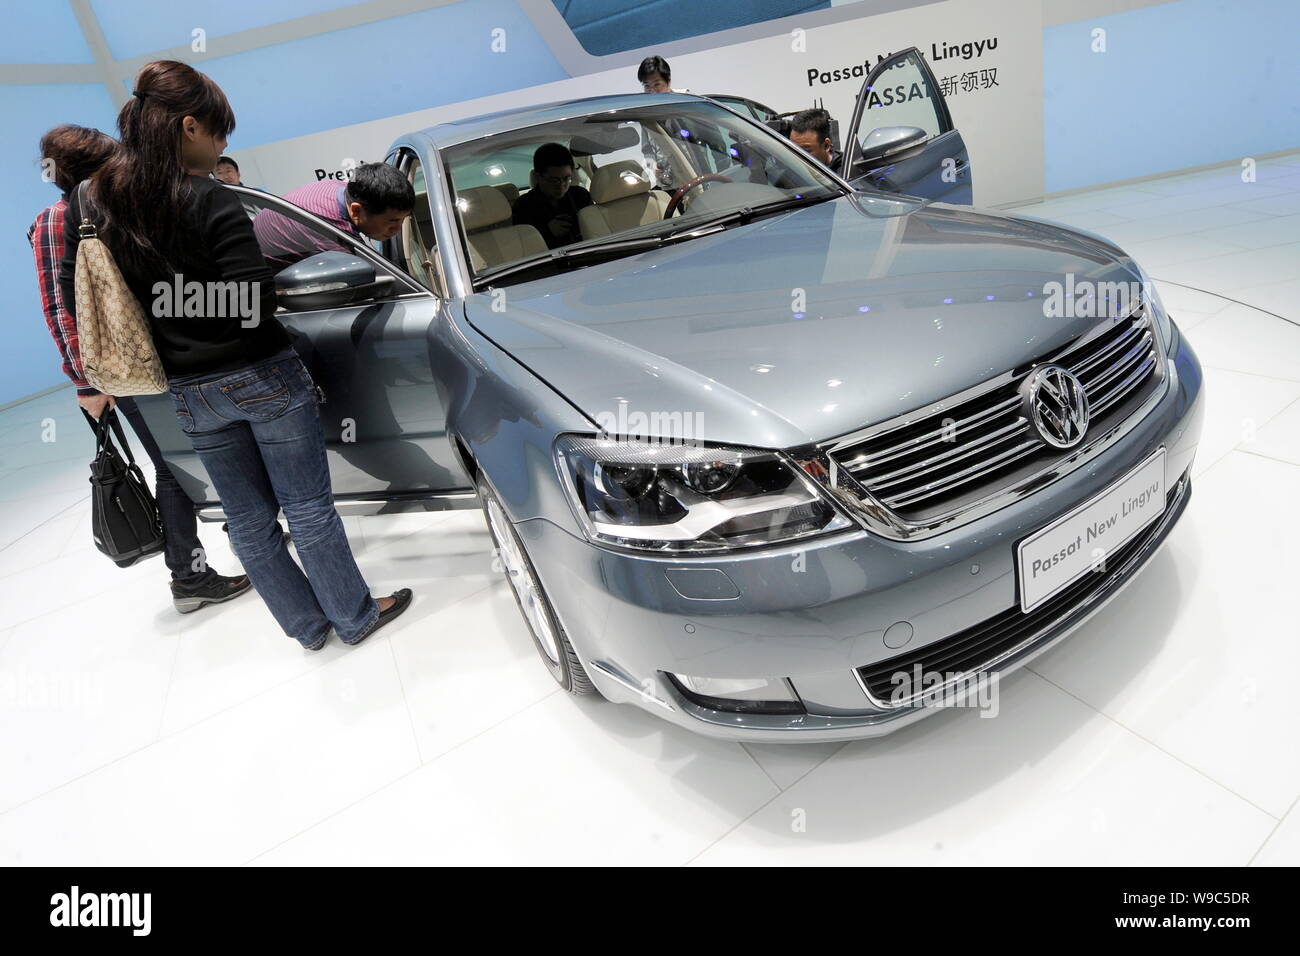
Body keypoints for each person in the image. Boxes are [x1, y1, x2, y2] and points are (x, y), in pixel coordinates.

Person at [59, 60, 411, 650]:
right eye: (220, 132)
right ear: (190, 127)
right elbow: (252, 299)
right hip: (260, 374)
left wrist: (165, 304)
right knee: (307, 508)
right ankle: (353, 617)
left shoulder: (100, 209)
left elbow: (99, 298)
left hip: (187, 391)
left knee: (247, 520)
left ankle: (306, 628)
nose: (224, 145)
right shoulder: (211, 199)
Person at [29, 123, 251, 614]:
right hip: (134, 365)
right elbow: (63, 309)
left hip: (159, 358)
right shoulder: (66, 218)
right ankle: (190, 575)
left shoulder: (94, 210)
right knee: (176, 464)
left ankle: (244, 540)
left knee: (204, 449)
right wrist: (86, 382)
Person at [252, 163, 413, 270]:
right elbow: (372, 275)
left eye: (404, 219)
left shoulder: (346, 190)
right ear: (356, 211)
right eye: (393, 221)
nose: (398, 229)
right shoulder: (332, 232)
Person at [511, 143, 593, 249]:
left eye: (566, 178)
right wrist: (547, 231)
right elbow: (522, 247)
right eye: (554, 180)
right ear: (538, 177)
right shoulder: (523, 206)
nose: (561, 185)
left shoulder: (581, 196)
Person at [789, 108, 844, 176]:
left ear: (826, 145)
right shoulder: (789, 172)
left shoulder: (845, 174)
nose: (798, 158)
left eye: (806, 151)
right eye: (794, 150)